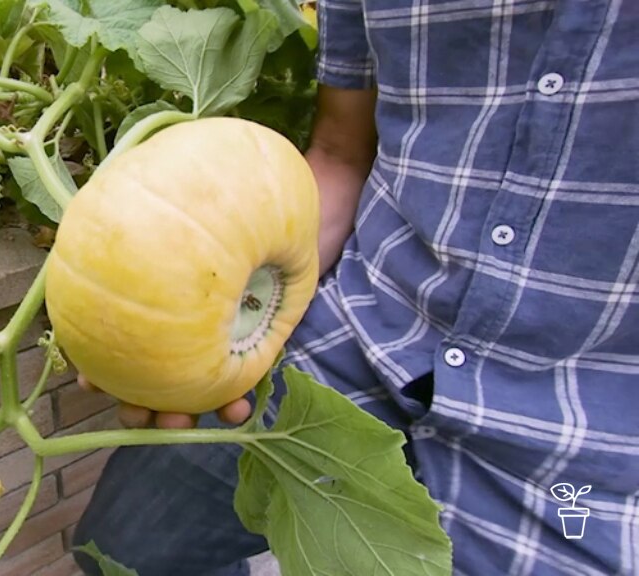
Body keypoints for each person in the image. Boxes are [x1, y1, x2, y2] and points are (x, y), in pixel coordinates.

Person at [71, 0, 639, 574]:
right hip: (360, 331)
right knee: (121, 552)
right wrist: (170, 312)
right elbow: (341, 149)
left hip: (583, 425)